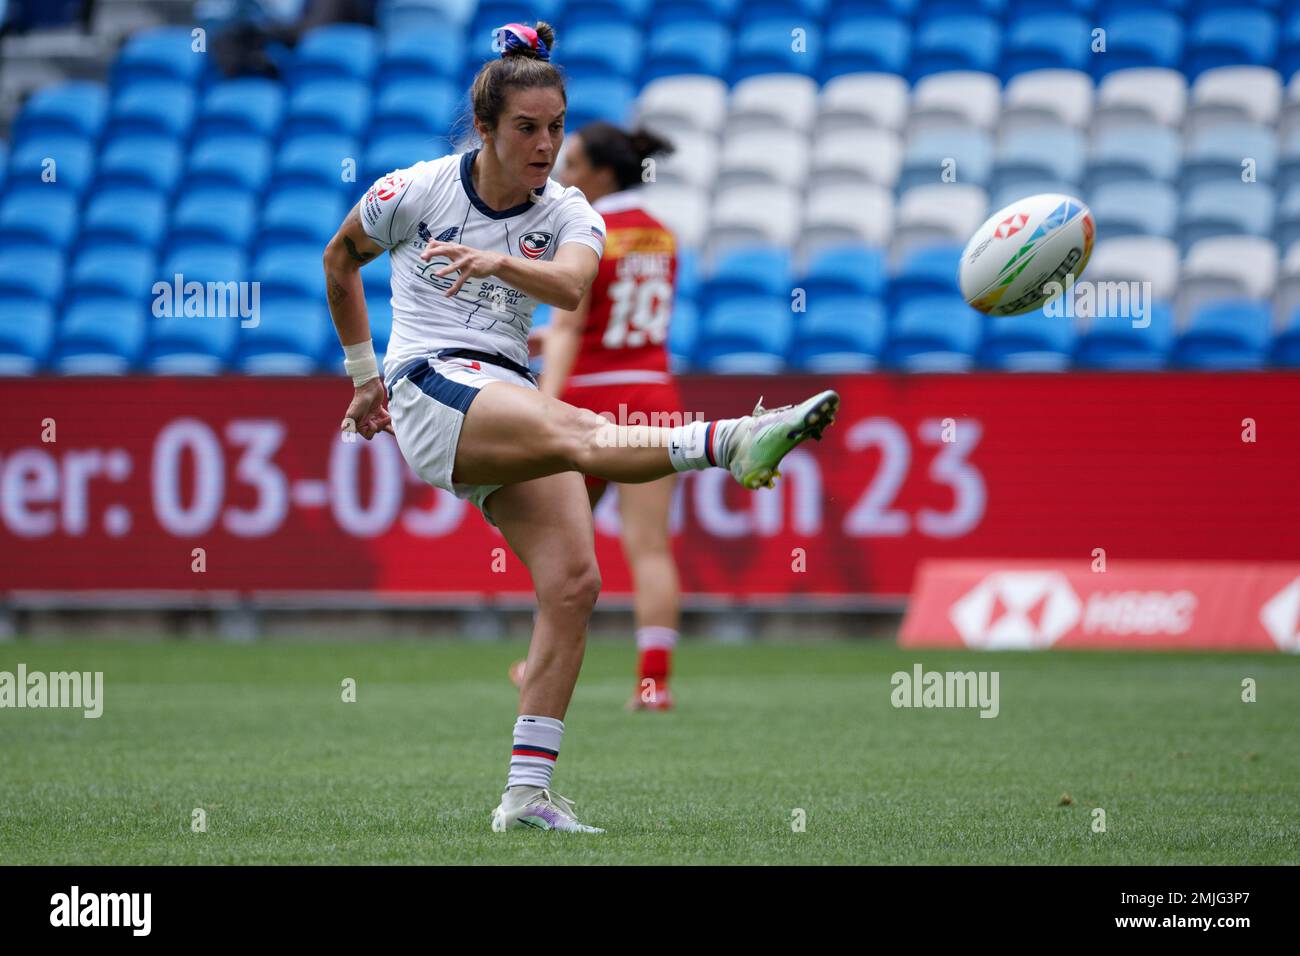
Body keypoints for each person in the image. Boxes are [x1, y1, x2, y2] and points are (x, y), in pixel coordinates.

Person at [322, 22, 839, 834]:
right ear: (485, 127)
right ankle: (731, 441)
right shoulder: (412, 192)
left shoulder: (573, 211)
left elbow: (567, 289)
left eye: (556, 127)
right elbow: (339, 260)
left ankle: (525, 796)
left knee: (574, 584)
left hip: (502, 382)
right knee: (575, 432)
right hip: (430, 384)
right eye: (526, 127)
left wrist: (499, 264)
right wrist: (363, 379)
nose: (545, 143)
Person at [510, 122, 685, 711]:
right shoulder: (662, 234)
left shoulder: (586, 229)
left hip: (588, 400)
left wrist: (544, 402)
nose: (562, 172)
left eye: (575, 164)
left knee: (556, 545)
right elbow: (616, 322)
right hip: (653, 397)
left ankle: (541, 663)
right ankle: (653, 683)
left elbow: (570, 325)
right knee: (651, 548)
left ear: (603, 175)